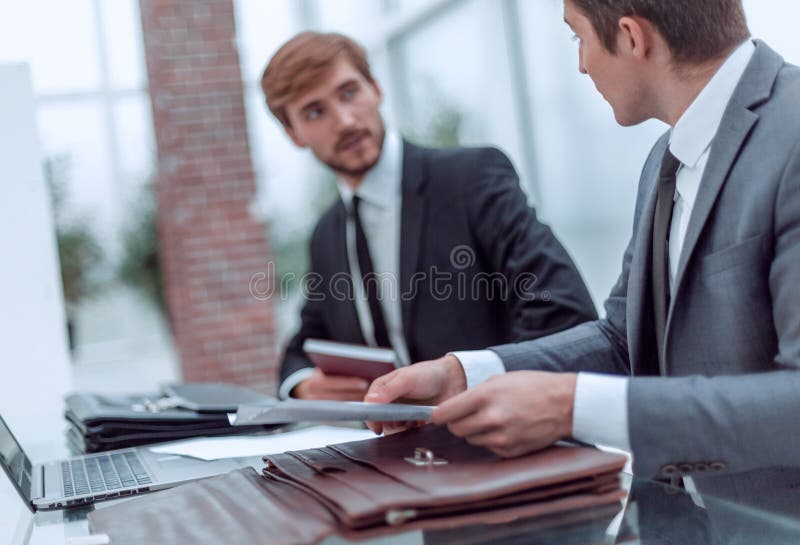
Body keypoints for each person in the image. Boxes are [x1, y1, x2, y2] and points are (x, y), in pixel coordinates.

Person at [367, 0, 800, 488]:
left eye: (579, 38)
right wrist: (466, 374)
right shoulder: (666, 158)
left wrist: (571, 407)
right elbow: (622, 337)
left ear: (633, 37)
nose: (581, 63)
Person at [261, 32, 598, 400]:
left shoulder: (472, 179)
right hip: (390, 450)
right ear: (293, 134)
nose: (344, 121)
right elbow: (300, 349)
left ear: (375, 89)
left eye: (349, 92)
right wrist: (305, 385)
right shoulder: (327, 233)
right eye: (315, 112)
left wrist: (478, 386)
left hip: (501, 435)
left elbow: (565, 311)